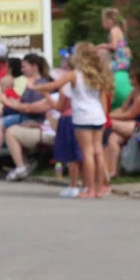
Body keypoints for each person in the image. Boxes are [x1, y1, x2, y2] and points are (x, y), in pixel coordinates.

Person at [47, 43, 115, 198]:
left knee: (88, 153)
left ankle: (89, 190)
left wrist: (38, 88)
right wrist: (104, 118)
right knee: (98, 152)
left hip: (83, 116)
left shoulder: (75, 74)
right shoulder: (99, 74)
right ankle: (99, 189)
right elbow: (103, 100)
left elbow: (56, 84)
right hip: (98, 115)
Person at [3, 53, 58, 181]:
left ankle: (21, 166)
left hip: (40, 124)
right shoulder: (31, 85)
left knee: (8, 129)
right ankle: (18, 162)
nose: (22, 70)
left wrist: (7, 100)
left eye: (24, 67)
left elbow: (32, 108)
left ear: (35, 67)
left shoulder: (43, 86)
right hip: (31, 120)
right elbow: (24, 103)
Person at [101, 8, 134, 106]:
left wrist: (101, 45)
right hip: (123, 60)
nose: (102, 23)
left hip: (119, 62)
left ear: (108, 21)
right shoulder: (118, 29)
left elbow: (114, 46)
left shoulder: (114, 30)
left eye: (103, 21)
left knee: (104, 69)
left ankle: (108, 91)